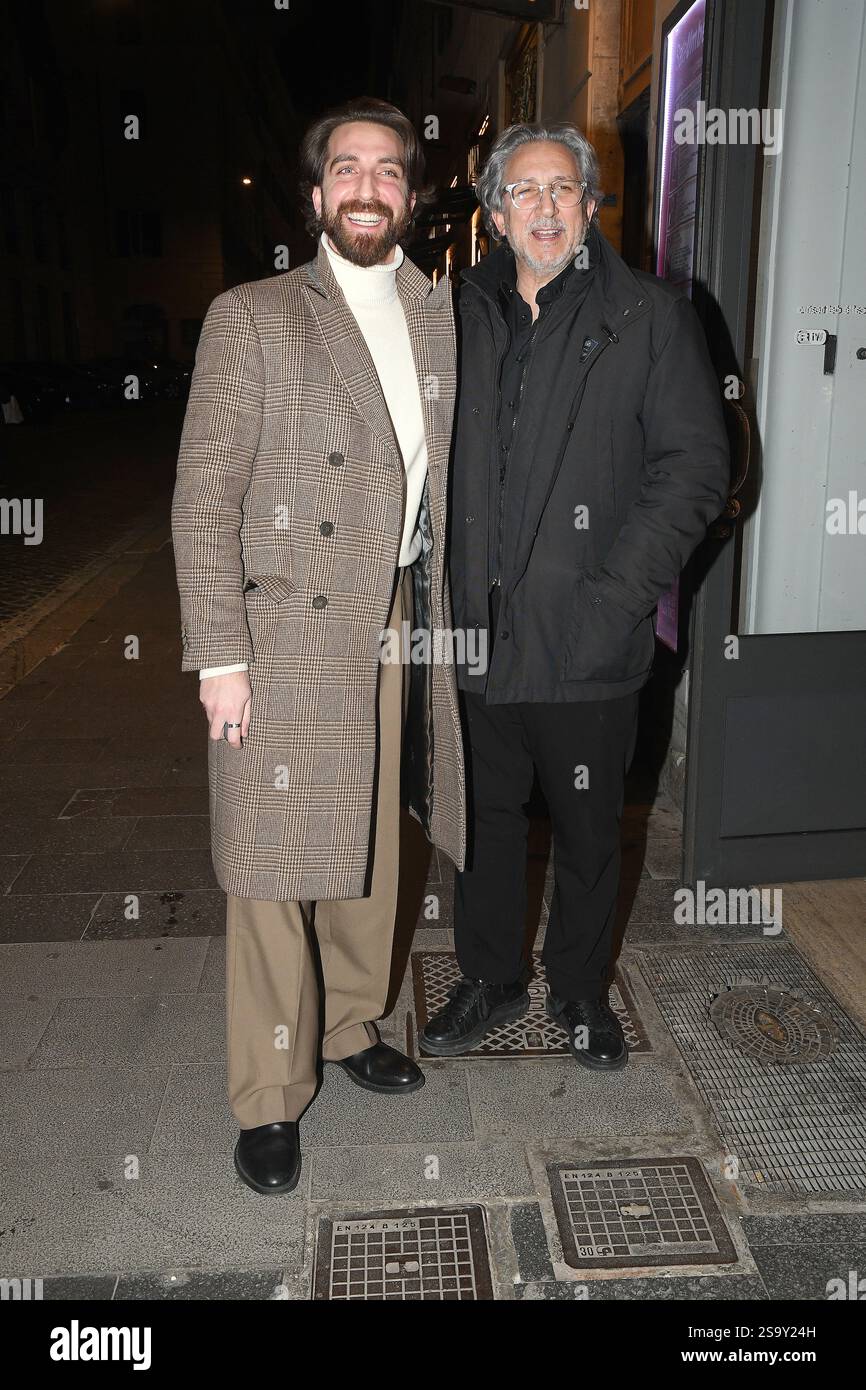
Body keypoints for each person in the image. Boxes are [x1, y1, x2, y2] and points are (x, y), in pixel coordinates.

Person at [172, 97, 465, 1195]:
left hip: (395, 614)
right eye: (346, 168)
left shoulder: (439, 310)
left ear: (409, 195)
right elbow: (204, 497)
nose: (366, 187)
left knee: (373, 845)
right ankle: (269, 1089)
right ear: (314, 195)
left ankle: (347, 1026)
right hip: (282, 624)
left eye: (387, 171)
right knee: (267, 867)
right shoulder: (253, 315)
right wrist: (219, 656)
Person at [421, 122, 729, 1069]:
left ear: (591, 208)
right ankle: (489, 975)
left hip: (587, 637)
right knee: (483, 827)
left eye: (564, 190)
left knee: (592, 830)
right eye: (524, 191)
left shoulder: (649, 317)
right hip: (479, 631)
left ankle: (581, 991)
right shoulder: (456, 312)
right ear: (496, 214)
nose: (545, 207)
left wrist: (613, 597)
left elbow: (693, 471)